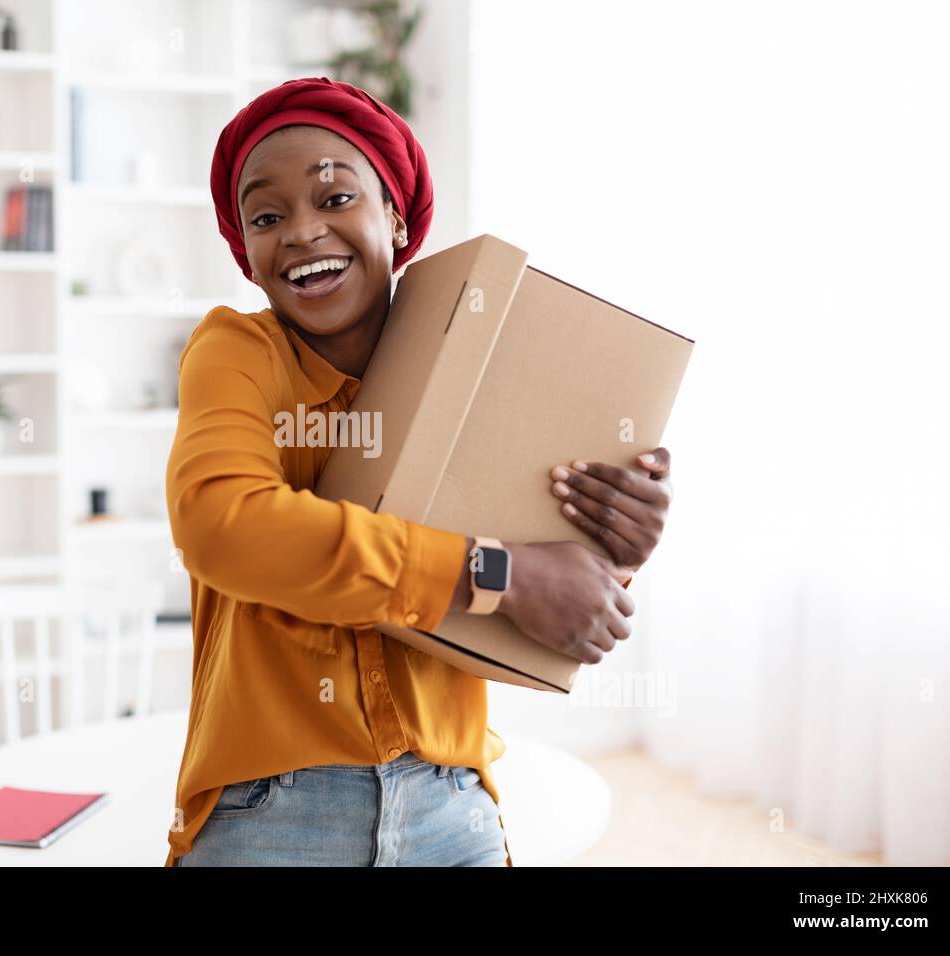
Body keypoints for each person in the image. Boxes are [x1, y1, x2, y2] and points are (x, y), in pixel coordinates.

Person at [164, 77, 674, 866]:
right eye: (266, 216)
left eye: (335, 199)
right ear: (248, 254)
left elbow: (543, 625)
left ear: (395, 218)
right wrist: (495, 570)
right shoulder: (239, 350)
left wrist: (610, 554)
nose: (300, 231)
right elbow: (224, 525)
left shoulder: (469, 362)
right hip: (277, 812)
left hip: (451, 801)